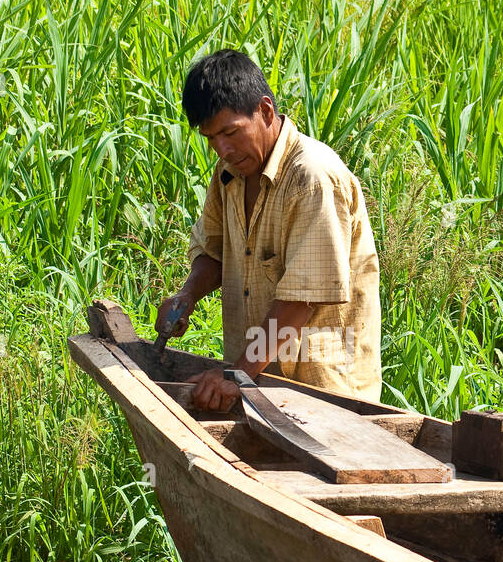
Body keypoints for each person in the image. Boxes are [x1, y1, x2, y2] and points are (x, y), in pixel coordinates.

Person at [156, 49, 381, 411]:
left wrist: (235, 376)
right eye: (211, 138)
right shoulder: (229, 173)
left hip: (325, 396)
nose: (223, 149)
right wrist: (188, 295)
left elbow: (299, 301)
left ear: (264, 111)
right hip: (259, 384)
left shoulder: (312, 179)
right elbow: (213, 249)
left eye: (230, 132)